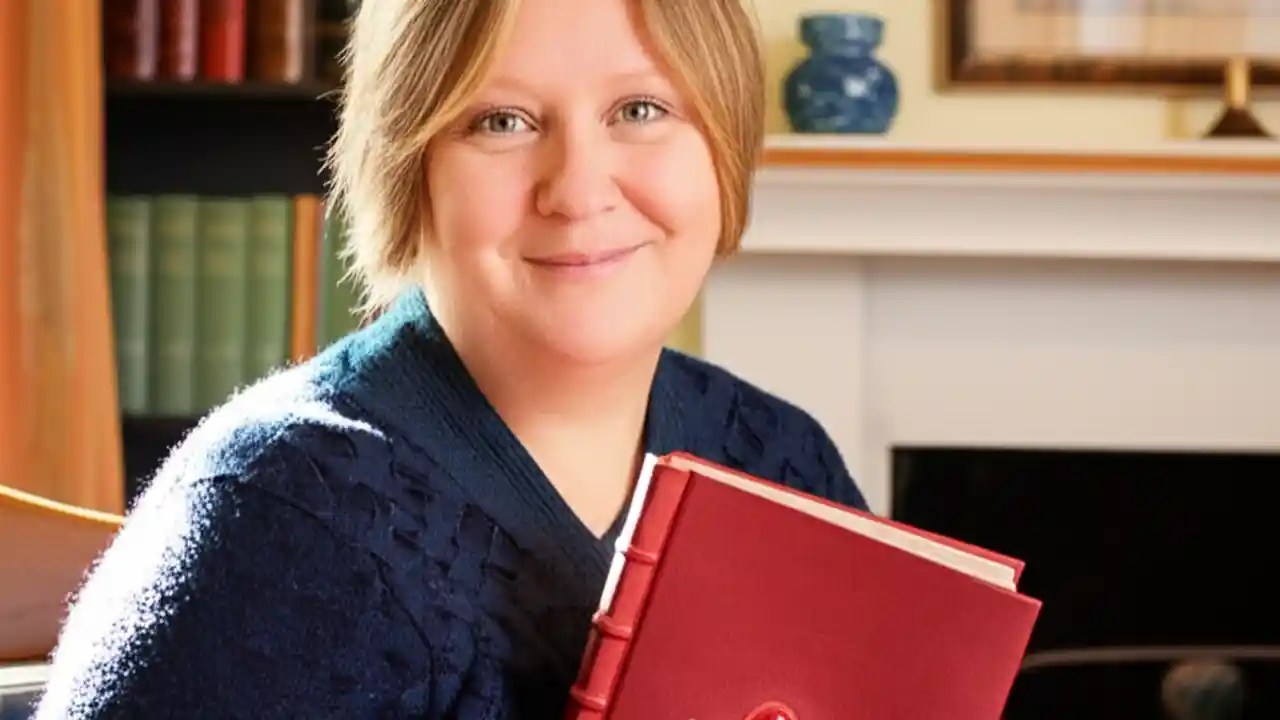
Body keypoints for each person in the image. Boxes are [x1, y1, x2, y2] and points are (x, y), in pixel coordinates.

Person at [34, 0, 868, 717]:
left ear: (722, 139)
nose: (578, 191)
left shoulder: (784, 462)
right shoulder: (277, 515)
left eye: (640, 110)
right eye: (501, 122)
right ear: (410, 166)